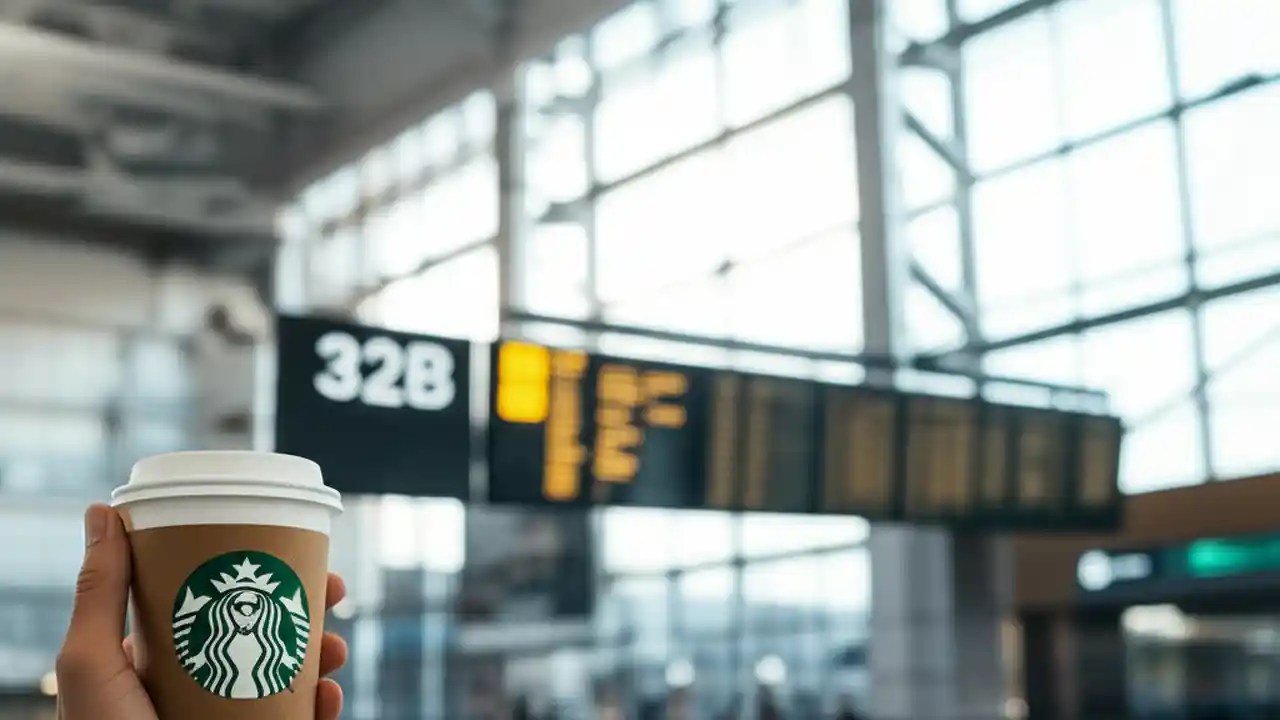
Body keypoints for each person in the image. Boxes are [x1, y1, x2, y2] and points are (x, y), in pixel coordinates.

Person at [55, 504, 349, 720]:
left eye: (254, 607)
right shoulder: (213, 653)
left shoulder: (272, 656)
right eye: (238, 607)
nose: (246, 616)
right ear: (222, 611)